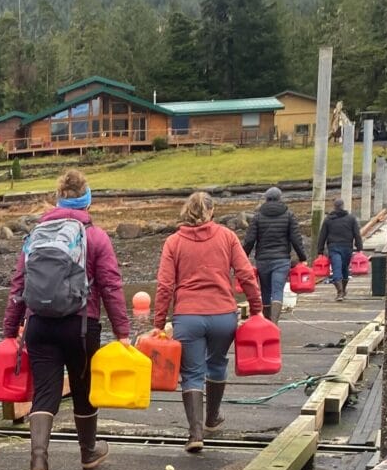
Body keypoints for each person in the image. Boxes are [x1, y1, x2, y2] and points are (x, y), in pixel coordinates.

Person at [2, 169, 131, 470]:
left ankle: (39, 461)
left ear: (58, 200)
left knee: (45, 392)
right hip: (81, 326)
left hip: (39, 325)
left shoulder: (35, 236)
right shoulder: (95, 236)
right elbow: (111, 286)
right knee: (83, 390)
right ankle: (88, 452)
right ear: (87, 201)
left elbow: (18, 285)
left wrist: (10, 328)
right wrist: (122, 332)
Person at [154, 191, 263, 453]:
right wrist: (257, 309)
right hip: (223, 315)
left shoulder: (173, 242)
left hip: (188, 317)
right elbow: (246, 273)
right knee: (217, 363)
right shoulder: (227, 236)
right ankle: (212, 417)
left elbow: (165, 286)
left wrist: (158, 323)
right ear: (211, 212)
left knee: (191, 373)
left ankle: (195, 433)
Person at [242, 186, 308, 324]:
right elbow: (296, 238)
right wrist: (303, 258)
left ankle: (267, 323)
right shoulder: (288, 215)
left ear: (266, 199)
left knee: (265, 291)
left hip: (263, 260)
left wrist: (243, 256)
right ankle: (274, 323)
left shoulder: (257, 216)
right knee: (277, 291)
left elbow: (249, 240)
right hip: (282, 260)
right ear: (280, 198)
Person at [316, 197, 364, 301]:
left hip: (333, 247)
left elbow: (322, 236)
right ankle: (342, 290)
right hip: (347, 247)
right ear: (342, 206)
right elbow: (357, 234)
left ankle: (340, 291)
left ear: (334, 207)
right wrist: (359, 248)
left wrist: (320, 251)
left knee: (336, 269)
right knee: (344, 269)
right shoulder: (351, 219)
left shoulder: (328, 219)